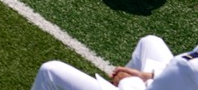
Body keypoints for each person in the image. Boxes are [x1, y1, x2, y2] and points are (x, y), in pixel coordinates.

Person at [32, 35, 198, 90]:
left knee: (49, 71)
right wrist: (144, 75)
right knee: (149, 42)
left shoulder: (188, 67)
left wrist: (127, 80)